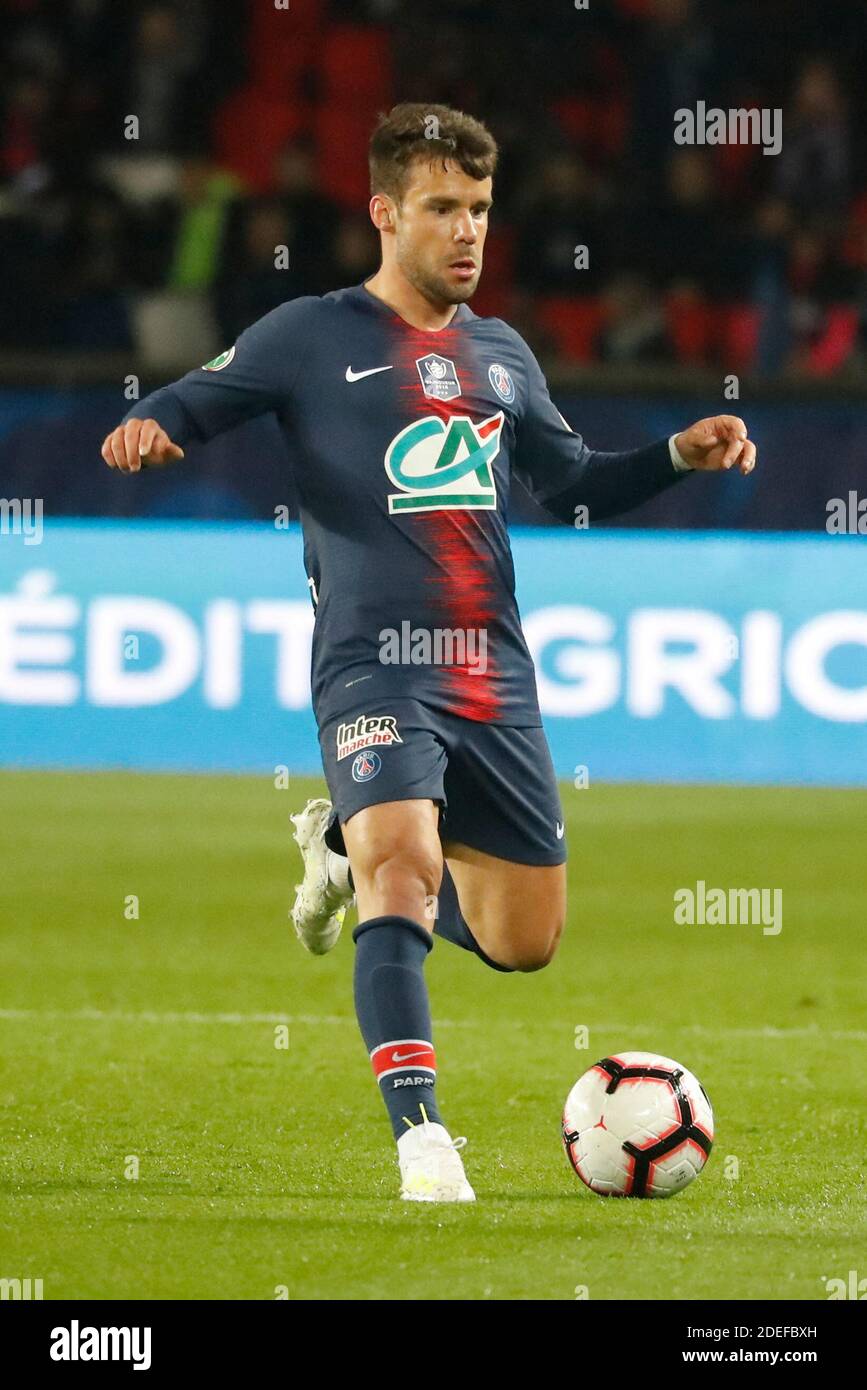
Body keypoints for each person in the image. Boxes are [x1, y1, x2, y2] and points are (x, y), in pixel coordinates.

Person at [101, 102, 756, 1203]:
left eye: (483, 211)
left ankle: (340, 861)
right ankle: (423, 1138)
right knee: (403, 867)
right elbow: (190, 398)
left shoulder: (501, 354)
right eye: (444, 208)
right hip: (373, 665)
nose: (468, 232)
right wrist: (152, 425)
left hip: (491, 675)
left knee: (526, 940)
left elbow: (577, 483)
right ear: (384, 214)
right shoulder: (309, 335)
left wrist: (679, 454)